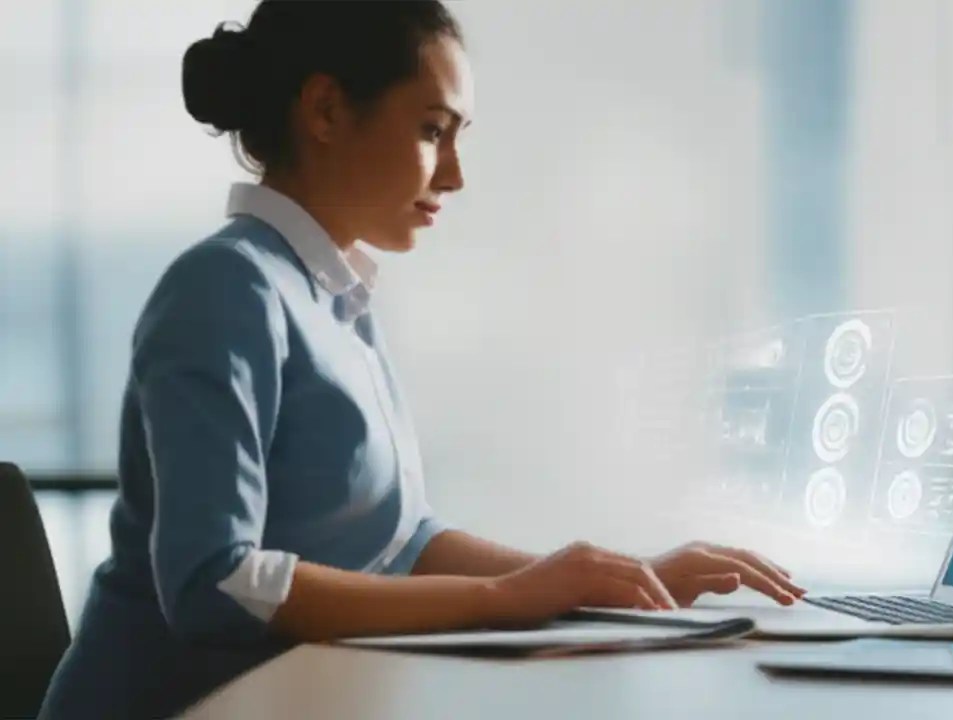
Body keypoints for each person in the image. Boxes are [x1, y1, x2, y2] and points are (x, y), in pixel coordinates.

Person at [39, 2, 805, 717]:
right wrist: (505, 597)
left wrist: (612, 581)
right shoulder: (224, 290)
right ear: (327, 110)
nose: (455, 174)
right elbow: (215, 582)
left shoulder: (334, 296)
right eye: (434, 130)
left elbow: (402, 543)